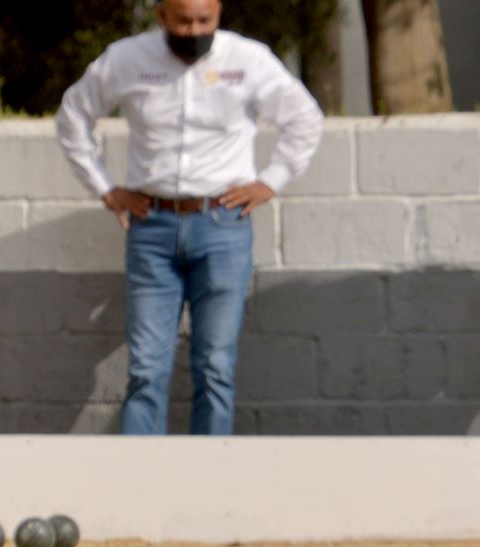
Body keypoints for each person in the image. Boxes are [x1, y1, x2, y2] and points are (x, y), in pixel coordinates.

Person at [55, 0, 323, 436]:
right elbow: (72, 116)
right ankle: (141, 474)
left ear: (219, 14)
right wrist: (105, 188)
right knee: (145, 369)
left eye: (205, 21)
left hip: (223, 227)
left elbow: (305, 118)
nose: (195, 30)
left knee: (215, 366)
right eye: (183, 21)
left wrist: (271, 181)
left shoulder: (248, 59)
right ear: (161, 16)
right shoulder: (127, 59)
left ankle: (210, 473)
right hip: (152, 227)